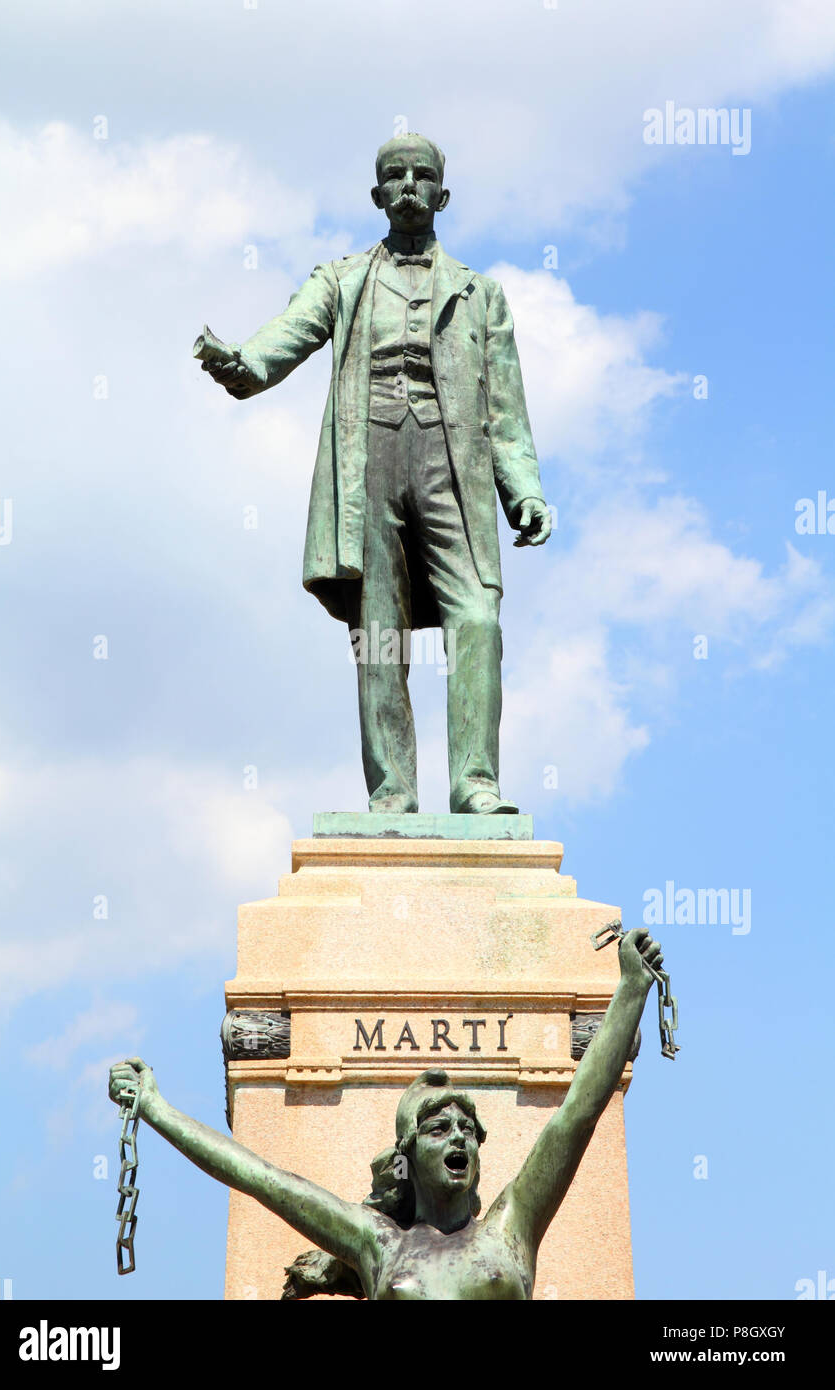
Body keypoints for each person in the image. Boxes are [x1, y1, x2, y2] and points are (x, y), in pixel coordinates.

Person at [199, 133, 551, 815]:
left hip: (457, 470)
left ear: (443, 195)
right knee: (379, 631)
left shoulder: (482, 296)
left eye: (423, 175)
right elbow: (288, 335)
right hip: (370, 462)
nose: (410, 184)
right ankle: (393, 790)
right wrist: (241, 363)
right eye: (396, 175)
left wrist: (525, 488)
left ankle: (476, 785)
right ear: (377, 194)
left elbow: (506, 409)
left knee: (477, 619)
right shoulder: (341, 279)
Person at [109, 928, 661, 1300]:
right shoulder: (378, 1244)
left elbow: (576, 1115)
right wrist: (158, 1110)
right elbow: (260, 1178)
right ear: (407, 1155)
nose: (460, 1141)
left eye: (468, 1131)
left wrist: (632, 988)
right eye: (440, 1129)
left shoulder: (512, 1224)